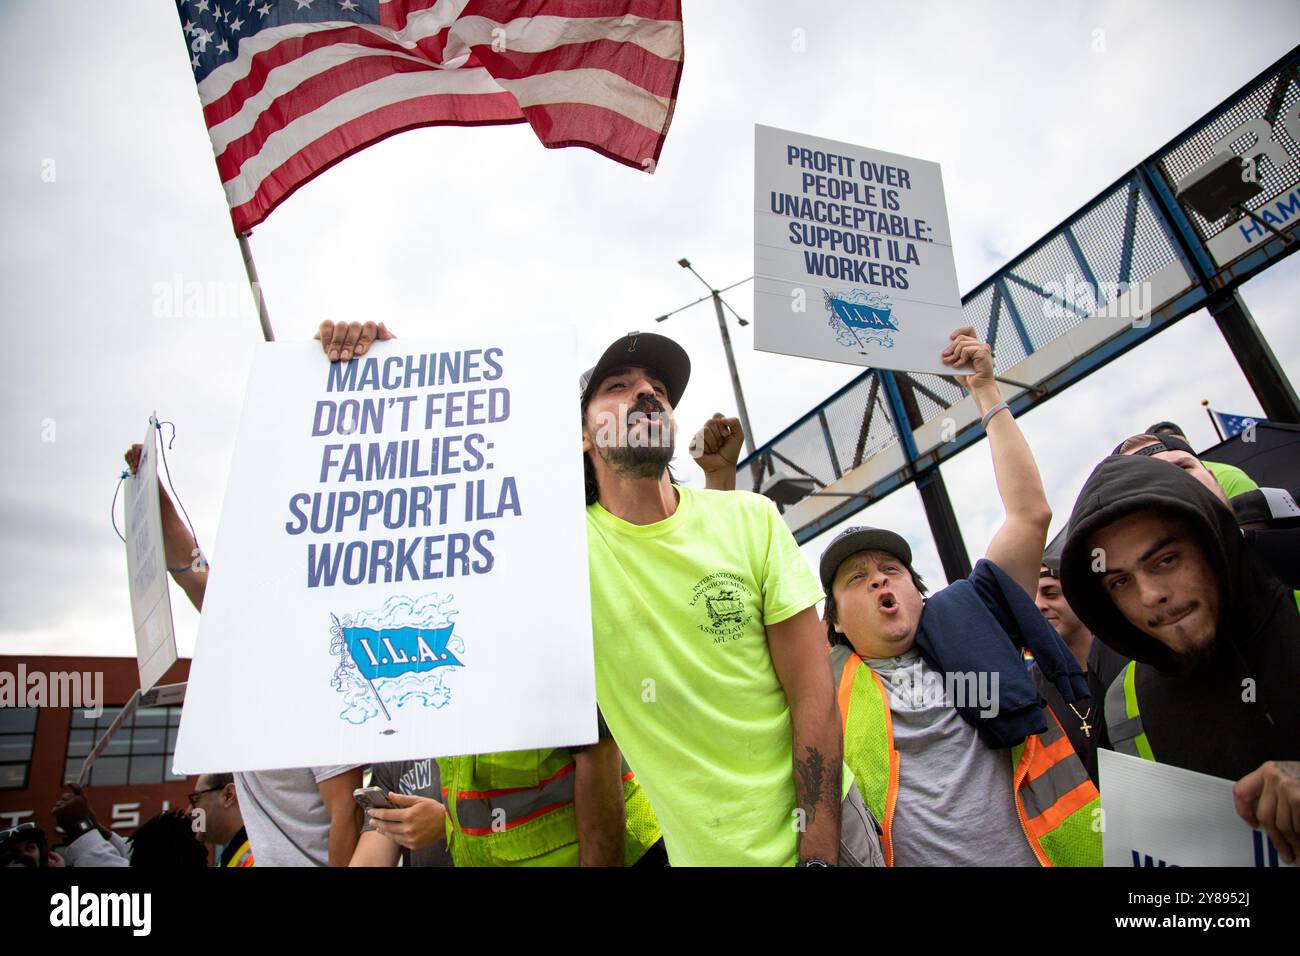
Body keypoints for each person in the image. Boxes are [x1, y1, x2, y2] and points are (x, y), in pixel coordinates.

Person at [821, 328, 1101, 867]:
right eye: (856, 579)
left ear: (918, 593)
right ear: (832, 624)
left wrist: (985, 391)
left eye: (892, 570)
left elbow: (1029, 515)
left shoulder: (978, 618)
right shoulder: (820, 682)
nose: (880, 580)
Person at [580, 330, 848, 867]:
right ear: (582, 435)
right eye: (619, 385)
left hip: (830, 838)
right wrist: (371, 364)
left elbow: (813, 697)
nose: (647, 393)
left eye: (658, 386)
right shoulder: (563, 555)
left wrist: (818, 858)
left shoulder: (752, 518)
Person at [124, 442, 366, 868]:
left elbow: (345, 808)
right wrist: (153, 491)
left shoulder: (315, 688)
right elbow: (189, 569)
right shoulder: (252, 656)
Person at [1060, 453, 1300, 863]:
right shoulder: (1123, 703)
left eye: (1166, 560)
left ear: (1213, 541)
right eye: (1120, 581)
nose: (1151, 595)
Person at [1033, 560, 1127, 781]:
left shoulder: (1128, 661)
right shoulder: (1031, 692)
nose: (1038, 605)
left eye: (1051, 593)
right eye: (1030, 598)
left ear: (1079, 598)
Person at [1144, 421, 1258, 499]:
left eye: (1177, 443)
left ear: (1187, 443)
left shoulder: (1226, 475)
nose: (1173, 449)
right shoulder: (1155, 491)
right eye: (1162, 447)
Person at [186, 773, 255, 867]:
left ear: (228, 795)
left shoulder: (258, 858)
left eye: (197, 799)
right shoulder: (235, 855)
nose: (189, 811)